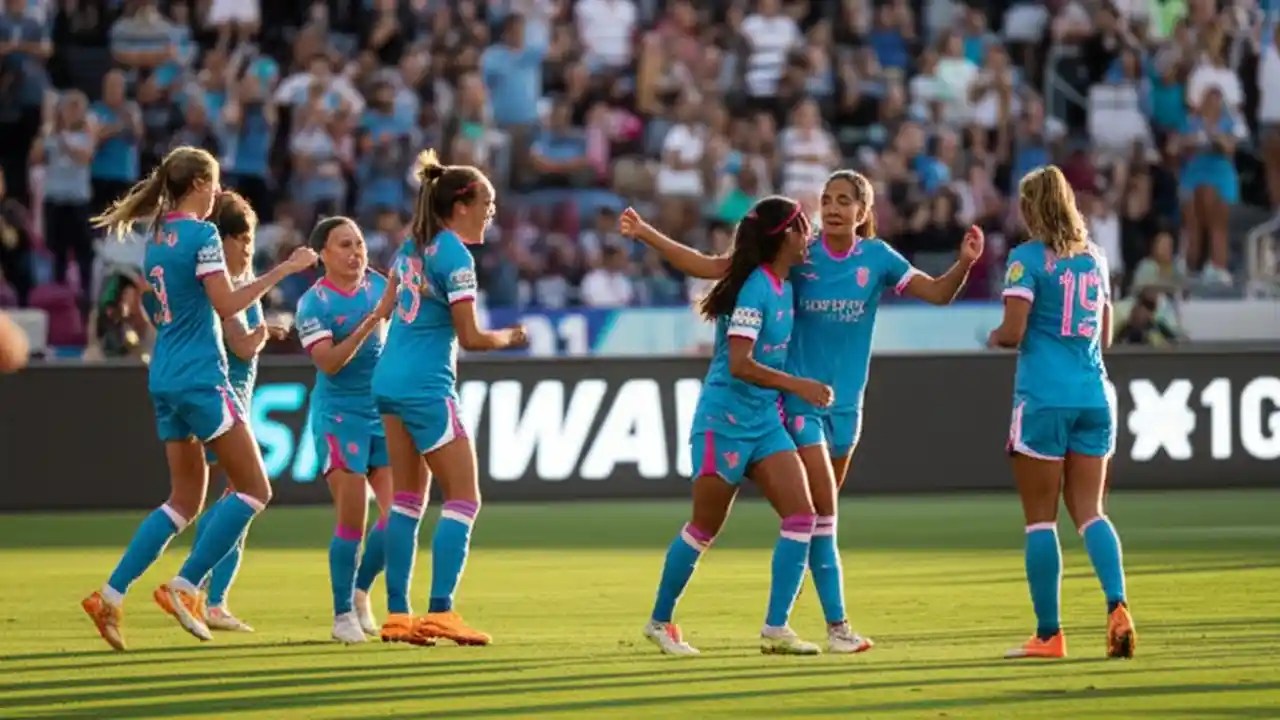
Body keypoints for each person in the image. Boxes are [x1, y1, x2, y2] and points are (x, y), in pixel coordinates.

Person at [620, 170, 984, 653]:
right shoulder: (790, 264)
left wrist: (963, 265)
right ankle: (833, 628)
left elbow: (938, 294)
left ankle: (781, 628)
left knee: (810, 517)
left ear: (863, 212)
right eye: (825, 200)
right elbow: (713, 270)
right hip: (785, 406)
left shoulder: (869, 260)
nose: (830, 209)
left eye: (843, 200)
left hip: (837, 407)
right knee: (804, 515)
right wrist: (645, 232)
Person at [80, 146, 318, 651]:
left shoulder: (158, 236)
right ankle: (186, 587)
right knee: (254, 489)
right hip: (200, 377)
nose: (217, 196)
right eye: (214, 185)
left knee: (183, 500)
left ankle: (110, 594)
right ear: (202, 185)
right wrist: (286, 270)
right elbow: (227, 302)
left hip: (163, 375)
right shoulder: (203, 234)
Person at [637, 195, 833, 656]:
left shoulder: (781, 283)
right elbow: (741, 363)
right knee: (704, 527)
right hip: (723, 421)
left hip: (763, 421)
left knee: (801, 516)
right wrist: (798, 385)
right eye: (804, 228)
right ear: (785, 235)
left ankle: (776, 628)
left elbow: (705, 263)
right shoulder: (756, 289)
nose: (811, 236)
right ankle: (660, 622)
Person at [372, 150, 527, 647]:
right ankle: (441, 611)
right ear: (460, 204)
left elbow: (389, 306)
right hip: (425, 388)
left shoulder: (411, 246)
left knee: (408, 500)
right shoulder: (456, 256)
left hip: (389, 381)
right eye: (487, 202)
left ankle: (397, 616)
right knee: (463, 497)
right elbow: (474, 337)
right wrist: (511, 337)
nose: (491, 212)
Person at [987, 165, 1135, 660]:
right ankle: (1118, 606)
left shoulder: (1025, 259)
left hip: (1043, 399)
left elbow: (1013, 331)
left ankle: (1049, 635)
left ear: (1031, 208)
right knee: (1091, 513)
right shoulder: (1095, 259)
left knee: (1040, 521)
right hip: (1094, 395)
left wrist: (994, 337)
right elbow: (1106, 337)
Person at [189, 190, 290, 634]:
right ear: (223, 239)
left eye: (249, 237)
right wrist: (267, 330)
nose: (248, 247)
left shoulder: (241, 280)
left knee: (238, 497)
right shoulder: (223, 287)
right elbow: (242, 344)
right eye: (241, 237)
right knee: (243, 497)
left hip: (238, 398)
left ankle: (209, 594)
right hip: (223, 399)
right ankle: (202, 589)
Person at [296, 216, 398, 644]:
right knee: (352, 518)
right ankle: (341, 616)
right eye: (345, 245)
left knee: (398, 519)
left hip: (382, 411)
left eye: (359, 243)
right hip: (339, 415)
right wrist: (373, 320)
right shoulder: (313, 304)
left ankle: (359, 591)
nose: (357, 252)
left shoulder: (380, 285)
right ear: (323, 254)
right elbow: (330, 362)